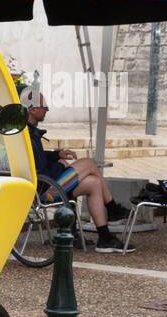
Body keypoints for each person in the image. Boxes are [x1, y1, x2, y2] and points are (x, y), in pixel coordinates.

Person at [23, 89, 133, 253]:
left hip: (49, 186)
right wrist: (61, 165)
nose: (47, 109)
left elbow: (37, 158)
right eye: (44, 105)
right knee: (89, 163)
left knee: (94, 183)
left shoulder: (30, 132)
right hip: (45, 191)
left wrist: (57, 155)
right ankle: (112, 208)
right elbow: (39, 170)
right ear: (32, 109)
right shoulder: (27, 135)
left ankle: (105, 238)